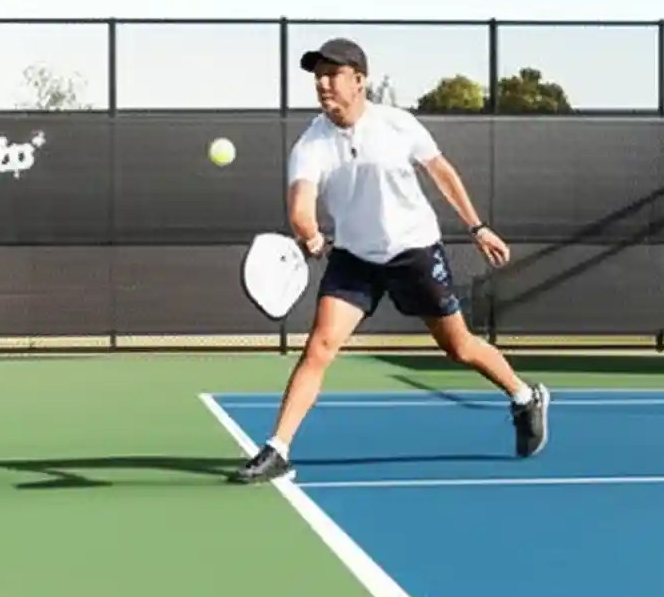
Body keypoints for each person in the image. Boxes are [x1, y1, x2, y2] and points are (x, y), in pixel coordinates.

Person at [230, 37, 550, 484]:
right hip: (355, 259)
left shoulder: (397, 124)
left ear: (359, 80)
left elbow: (441, 172)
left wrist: (477, 227)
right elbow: (301, 206)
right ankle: (278, 449)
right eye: (318, 76)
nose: (322, 84)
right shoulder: (311, 144)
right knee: (319, 347)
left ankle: (524, 396)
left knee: (458, 347)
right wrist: (311, 235)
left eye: (332, 74)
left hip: (414, 252)